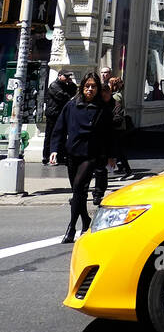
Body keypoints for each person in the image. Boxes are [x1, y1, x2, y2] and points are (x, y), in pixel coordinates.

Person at [50, 71, 115, 243]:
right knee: (78, 191)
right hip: (72, 153)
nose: (90, 89)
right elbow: (59, 128)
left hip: (91, 155)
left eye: (94, 87)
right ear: (82, 87)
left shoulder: (103, 109)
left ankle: (71, 227)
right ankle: (86, 219)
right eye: (87, 86)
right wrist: (54, 149)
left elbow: (110, 134)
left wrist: (110, 155)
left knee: (79, 187)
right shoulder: (71, 106)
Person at [42, 70, 76, 164]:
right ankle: (46, 156)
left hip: (62, 114)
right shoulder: (54, 85)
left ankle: (60, 156)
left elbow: (73, 92)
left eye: (69, 76)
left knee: (62, 135)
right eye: (66, 76)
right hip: (53, 114)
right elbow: (62, 96)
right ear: (59, 76)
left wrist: (71, 84)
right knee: (50, 135)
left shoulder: (66, 85)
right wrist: (69, 97)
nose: (67, 78)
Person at [108, 77, 132, 176]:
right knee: (117, 149)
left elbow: (116, 111)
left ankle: (127, 169)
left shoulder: (115, 97)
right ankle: (122, 167)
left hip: (117, 127)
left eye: (110, 84)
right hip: (120, 126)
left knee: (117, 149)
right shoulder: (119, 94)